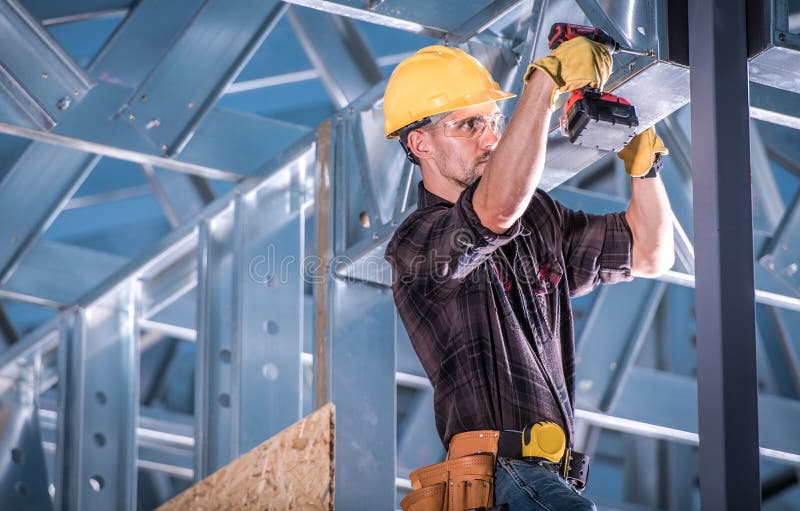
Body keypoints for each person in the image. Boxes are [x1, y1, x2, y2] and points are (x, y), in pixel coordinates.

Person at [383, 39, 674, 511]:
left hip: (545, 479)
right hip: (499, 480)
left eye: (493, 121)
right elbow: (493, 212)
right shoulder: (416, 244)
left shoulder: (536, 217)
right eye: (470, 124)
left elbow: (649, 254)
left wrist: (644, 162)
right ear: (421, 143)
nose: (490, 137)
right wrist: (545, 81)